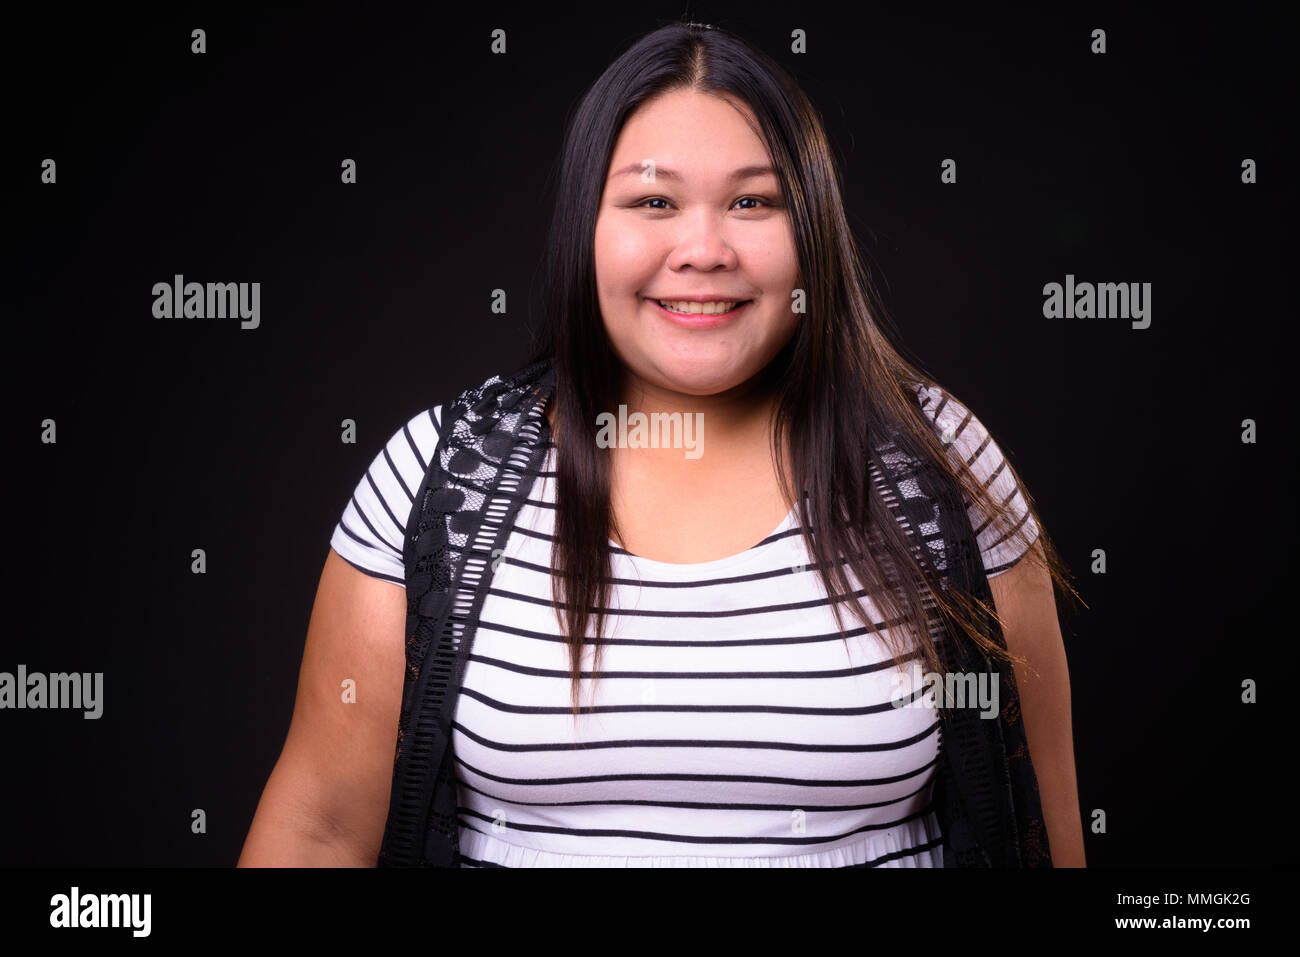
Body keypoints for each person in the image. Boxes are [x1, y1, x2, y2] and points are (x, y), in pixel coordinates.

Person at [239, 19, 1085, 868]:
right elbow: (318, 832)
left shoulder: (943, 469)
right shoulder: (437, 480)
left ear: (814, 235)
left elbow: (1045, 834)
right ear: (585, 228)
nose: (704, 251)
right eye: (653, 201)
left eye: (753, 201)